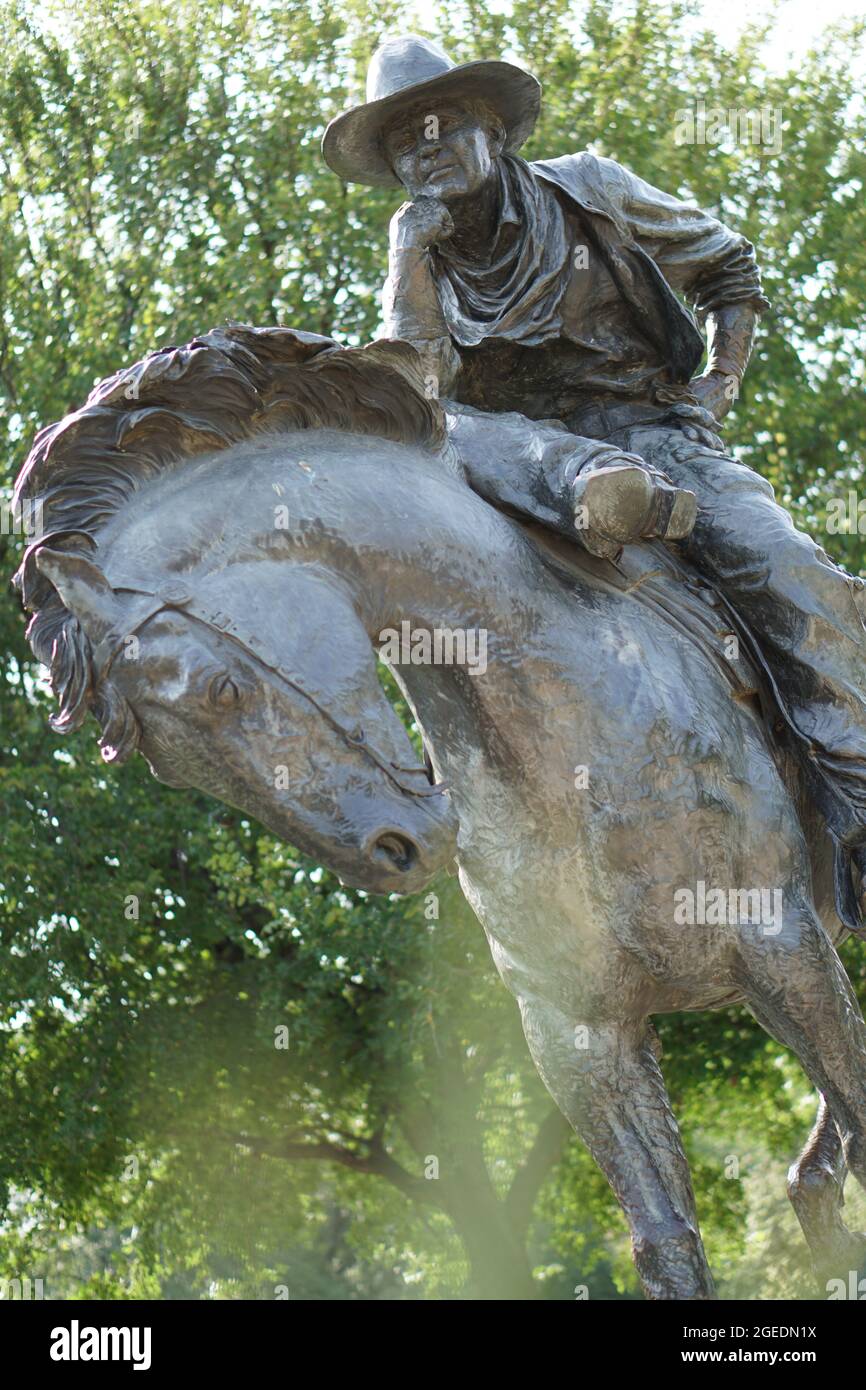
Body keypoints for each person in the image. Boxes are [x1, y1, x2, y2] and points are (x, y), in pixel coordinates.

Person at [322, 33, 866, 885]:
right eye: (403, 142)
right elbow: (409, 393)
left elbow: (728, 267)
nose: (425, 147)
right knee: (429, 499)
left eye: (443, 123)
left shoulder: (591, 190)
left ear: (494, 132)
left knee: (788, 565)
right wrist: (405, 258)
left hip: (652, 434)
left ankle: (858, 793)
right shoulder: (416, 263)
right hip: (513, 477)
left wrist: (717, 388)